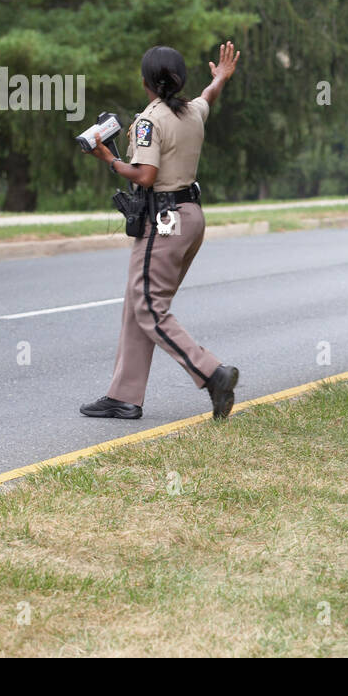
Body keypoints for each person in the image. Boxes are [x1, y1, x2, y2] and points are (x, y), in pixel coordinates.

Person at [79, 42, 241, 420]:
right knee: (139, 302)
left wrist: (111, 160)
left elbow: (146, 175)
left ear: (145, 81)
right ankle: (124, 395)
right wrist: (219, 79)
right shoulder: (191, 112)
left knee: (150, 307)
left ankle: (212, 374)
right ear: (180, 78)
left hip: (165, 220)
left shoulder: (151, 120)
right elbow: (207, 97)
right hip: (191, 217)